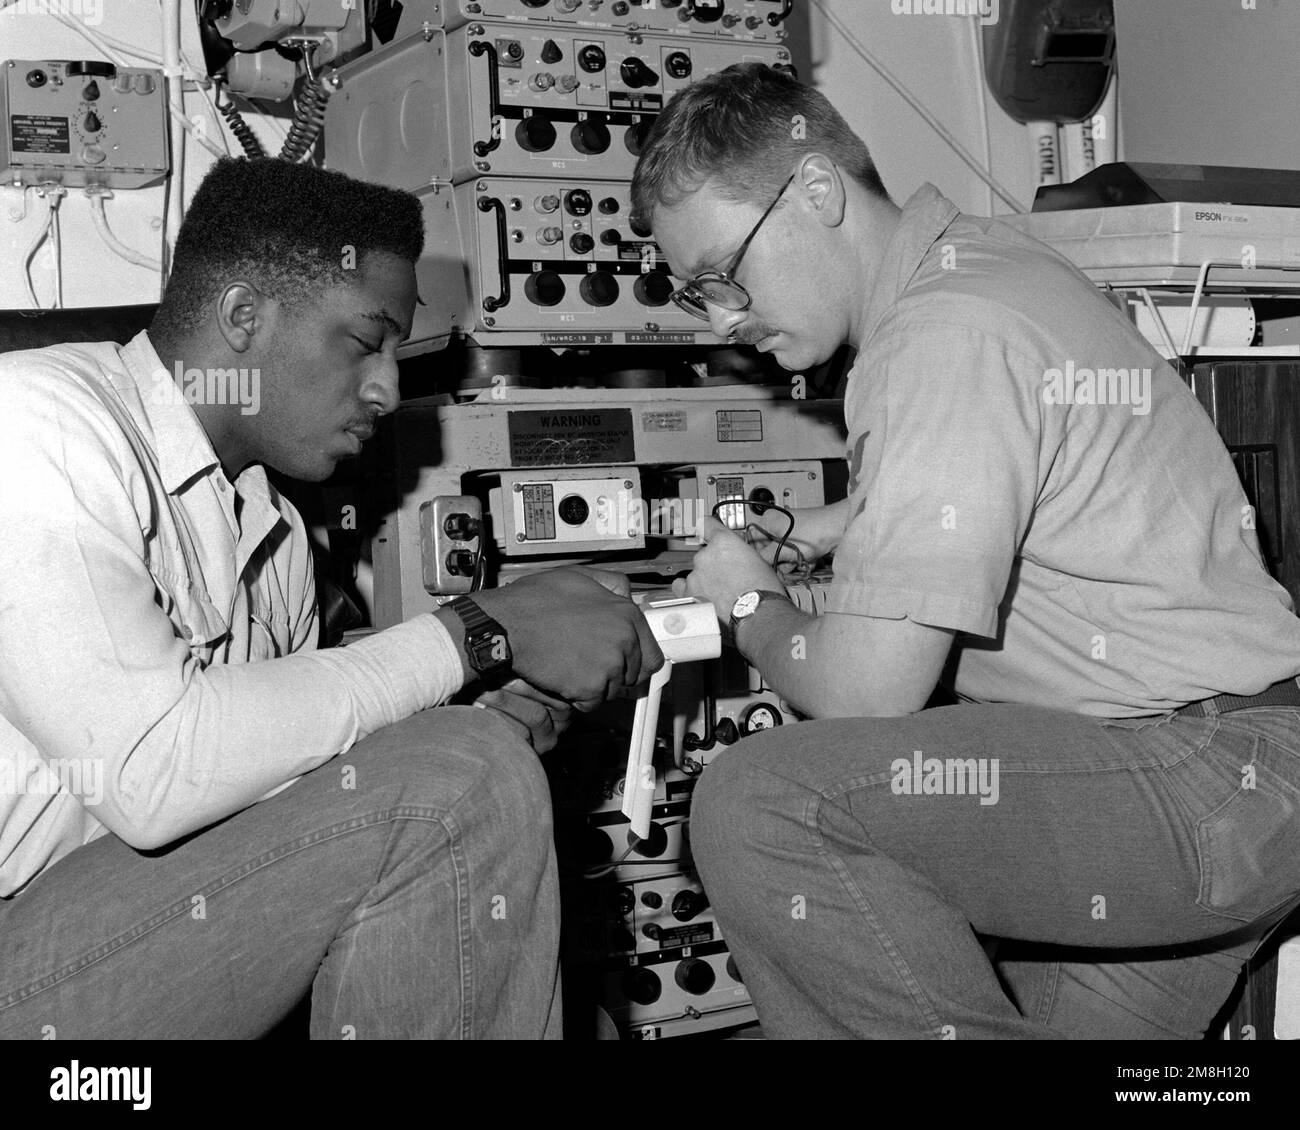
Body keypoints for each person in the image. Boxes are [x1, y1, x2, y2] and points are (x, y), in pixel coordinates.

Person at [632, 62, 1300, 1039]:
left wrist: (746, 603)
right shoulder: (982, 268)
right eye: (696, 297)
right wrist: (820, 533)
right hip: (1238, 778)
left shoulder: (937, 334)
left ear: (814, 191)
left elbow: (867, 691)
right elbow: (1001, 500)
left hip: (1192, 778)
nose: (725, 318)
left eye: (719, 276)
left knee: (764, 799)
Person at [0, 157, 663, 1039]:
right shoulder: (37, 424)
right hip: (24, 946)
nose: (389, 387)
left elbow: (271, 766)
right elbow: (155, 771)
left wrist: (466, 699)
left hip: (120, 918)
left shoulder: (268, 527)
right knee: (454, 781)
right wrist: (473, 630)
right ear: (244, 316)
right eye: (365, 342)